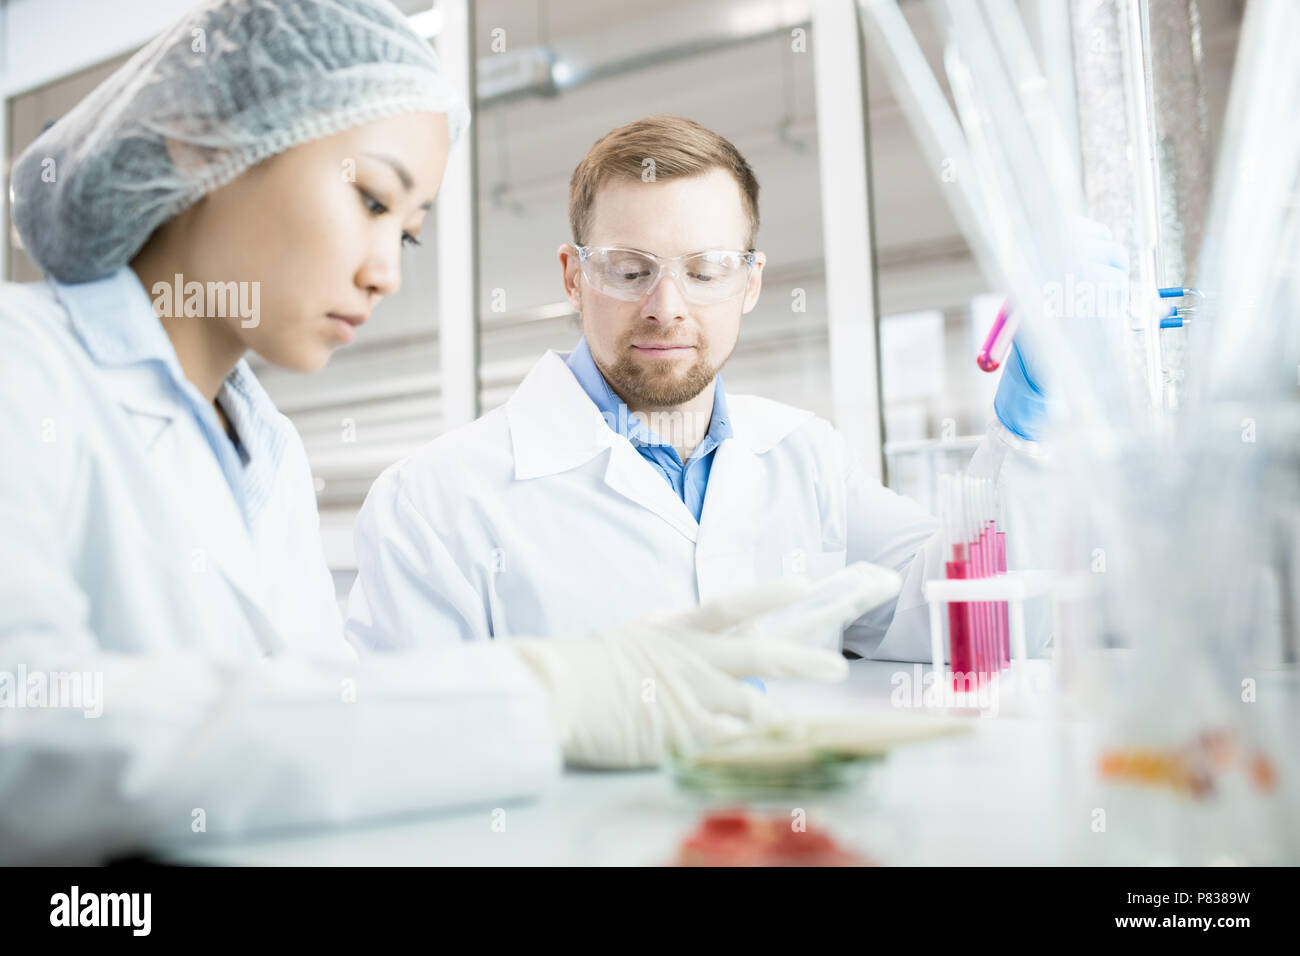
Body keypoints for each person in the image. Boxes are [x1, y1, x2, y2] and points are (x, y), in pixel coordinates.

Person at [0, 1, 881, 866]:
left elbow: (321, 737)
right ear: (201, 138)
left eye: (409, 233)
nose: (385, 271)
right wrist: (545, 695)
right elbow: (27, 734)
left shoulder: (264, 449)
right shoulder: (23, 371)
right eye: (372, 199)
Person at [346, 115, 1129, 661]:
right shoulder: (436, 502)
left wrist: (1026, 437)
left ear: (751, 284)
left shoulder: (805, 457)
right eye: (628, 268)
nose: (667, 305)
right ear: (573, 278)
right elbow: (409, 756)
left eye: (706, 268)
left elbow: (971, 624)